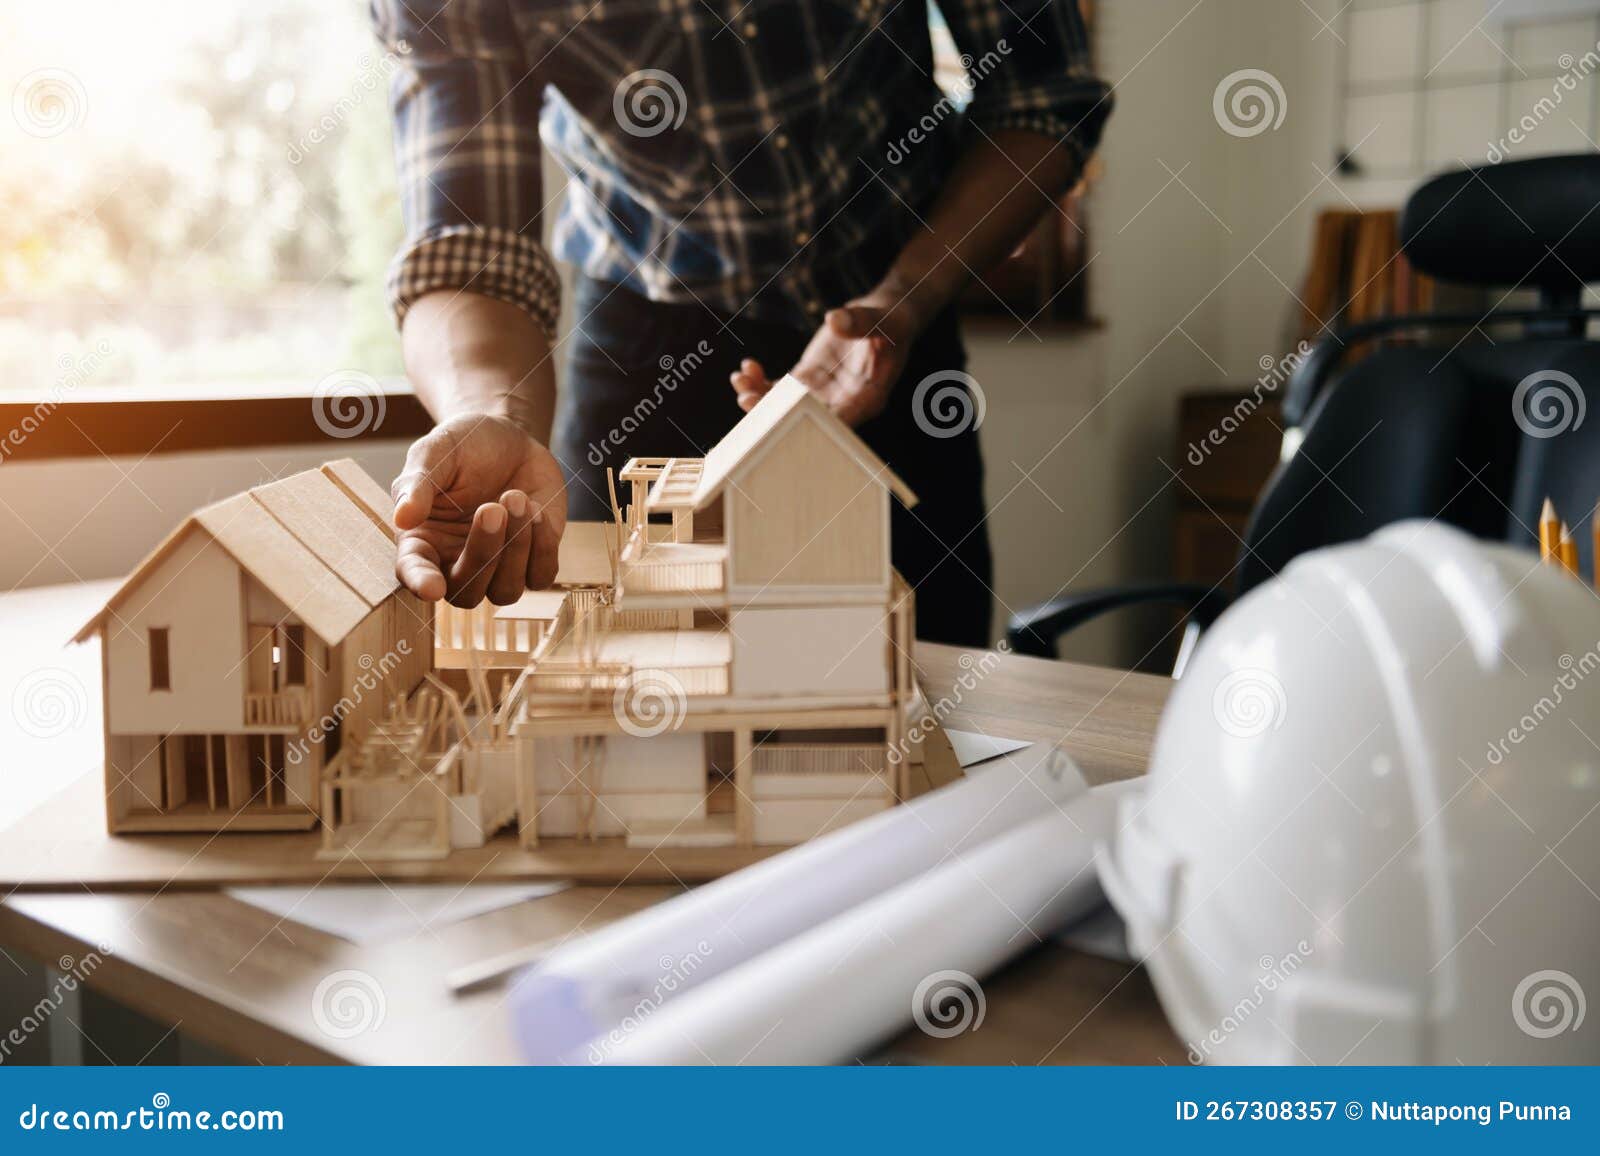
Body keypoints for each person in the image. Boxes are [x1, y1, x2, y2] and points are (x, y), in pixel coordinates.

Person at [375, 0, 1109, 645]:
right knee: (616, 671)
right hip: (644, 351)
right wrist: (494, 412)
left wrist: (906, 296)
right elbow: (469, 245)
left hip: (892, 324)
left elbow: (1040, 93)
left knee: (929, 679)